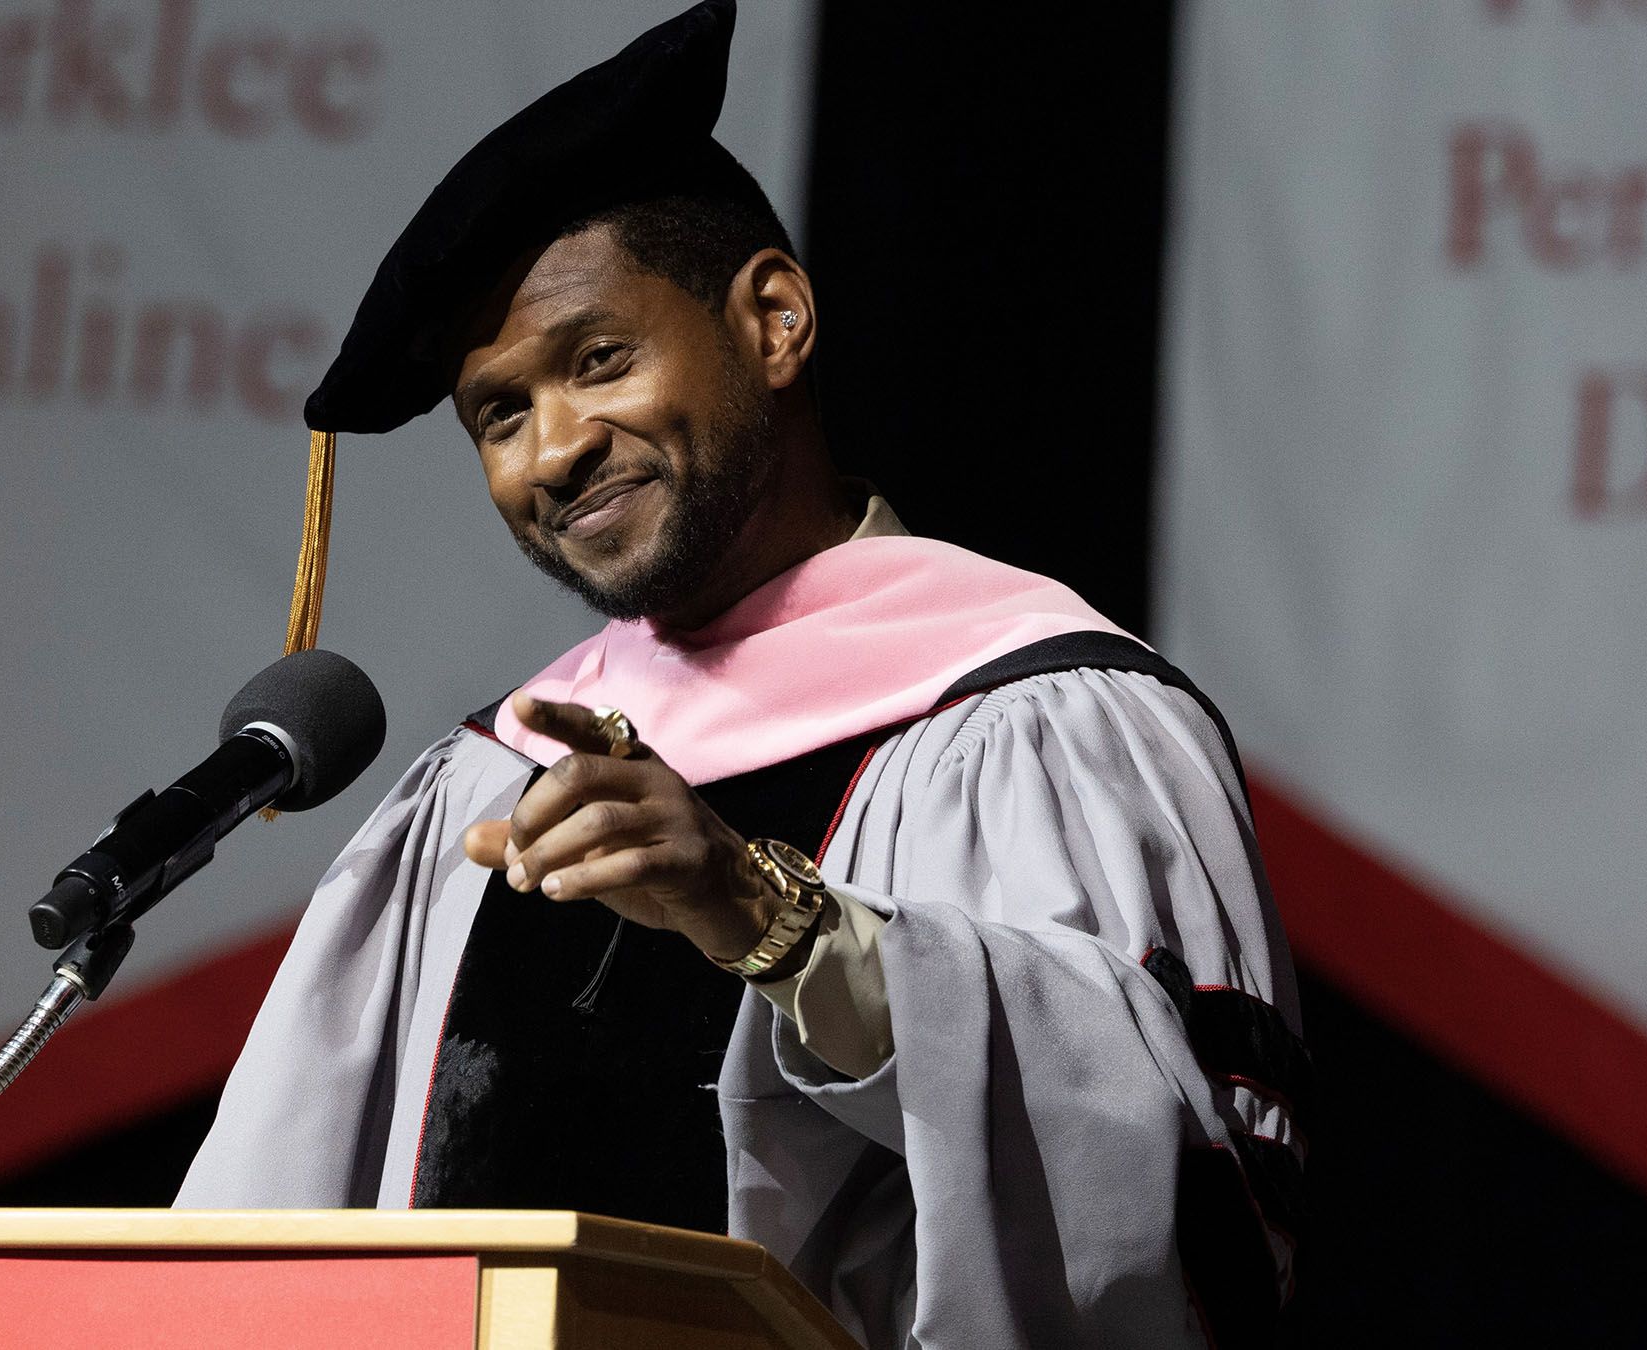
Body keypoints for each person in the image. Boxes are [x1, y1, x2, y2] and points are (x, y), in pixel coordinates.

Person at [179, 4, 1305, 1345]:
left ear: (773, 321)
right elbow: (265, 1245)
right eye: (500, 414)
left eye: (599, 360)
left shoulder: (1043, 714)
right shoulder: (478, 789)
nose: (553, 452)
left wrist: (767, 918)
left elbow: (1164, 1178)